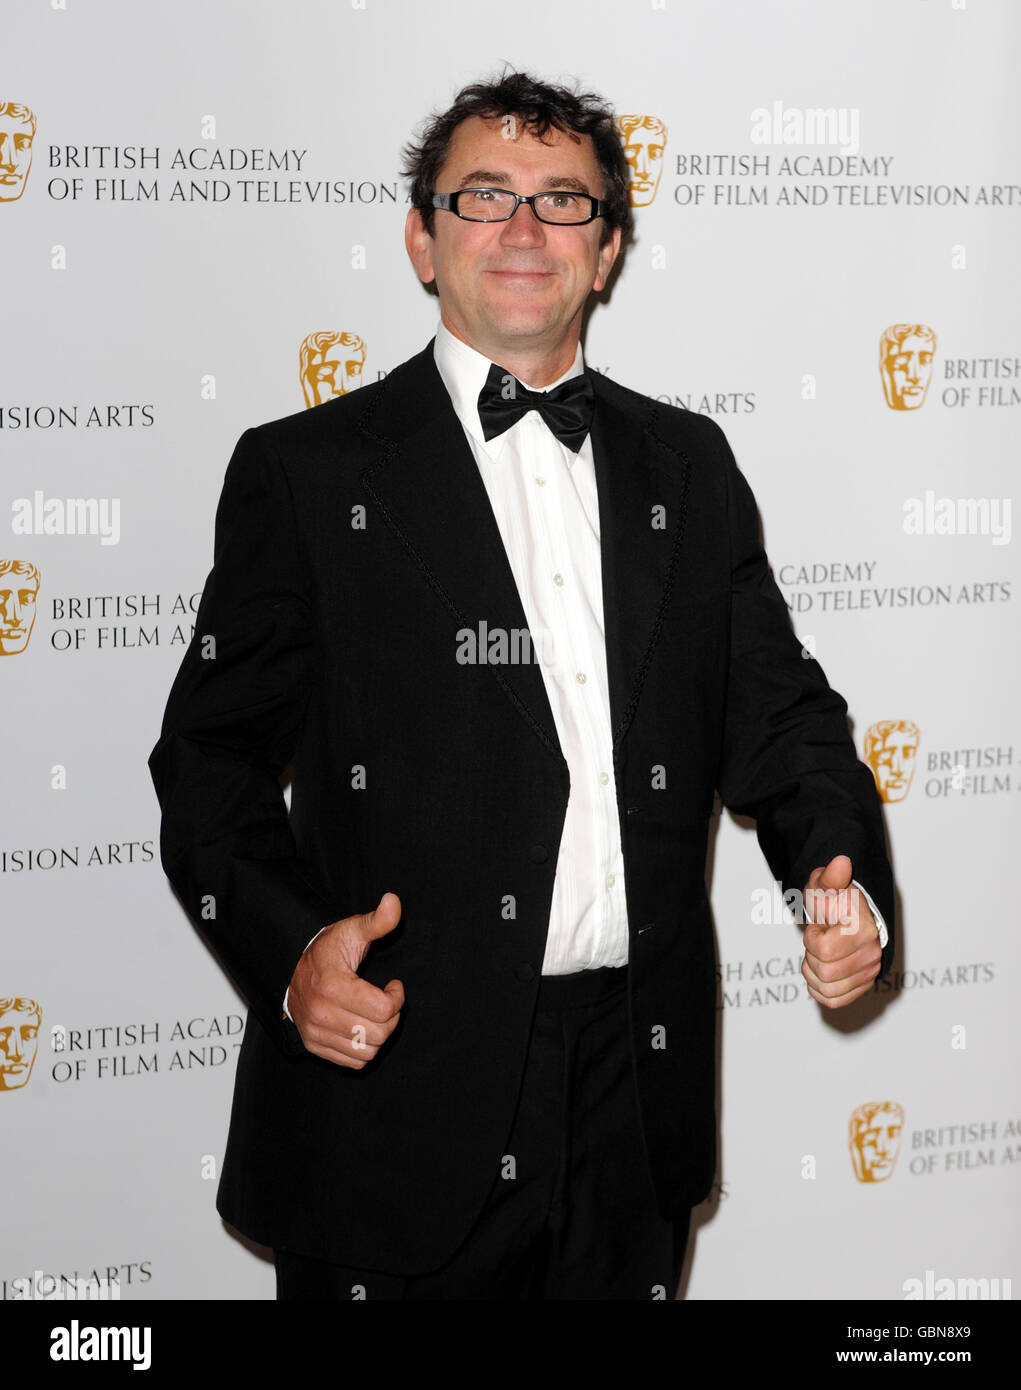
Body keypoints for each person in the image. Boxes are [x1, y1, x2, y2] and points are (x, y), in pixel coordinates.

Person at [148, 70, 895, 1301]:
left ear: (605, 253)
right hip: (394, 1098)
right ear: (420, 238)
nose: (523, 231)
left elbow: (779, 716)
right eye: (485, 195)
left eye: (563, 203)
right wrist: (293, 960)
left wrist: (838, 872)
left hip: (629, 1101)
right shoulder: (307, 473)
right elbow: (206, 763)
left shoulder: (690, 465)